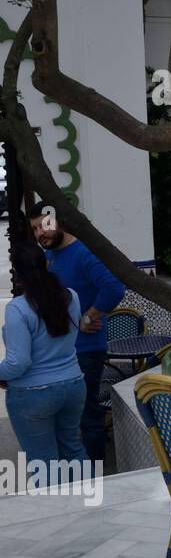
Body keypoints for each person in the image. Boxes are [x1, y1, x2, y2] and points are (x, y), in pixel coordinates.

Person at [28, 202, 126, 470]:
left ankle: (95, 478)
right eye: (35, 229)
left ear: (58, 222)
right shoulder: (51, 256)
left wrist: (88, 317)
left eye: (44, 226)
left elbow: (114, 288)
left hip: (86, 351)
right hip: (63, 352)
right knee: (69, 419)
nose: (40, 233)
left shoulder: (84, 253)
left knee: (89, 418)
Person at [0, 243, 89, 487]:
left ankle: (59, 520)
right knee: (73, 450)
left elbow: (18, 363)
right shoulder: (72, 297)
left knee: (45, 463)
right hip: (73, 385)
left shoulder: (17, 308)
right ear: (47, 263)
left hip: (32, 395)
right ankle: (91, 510)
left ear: (16, 273)